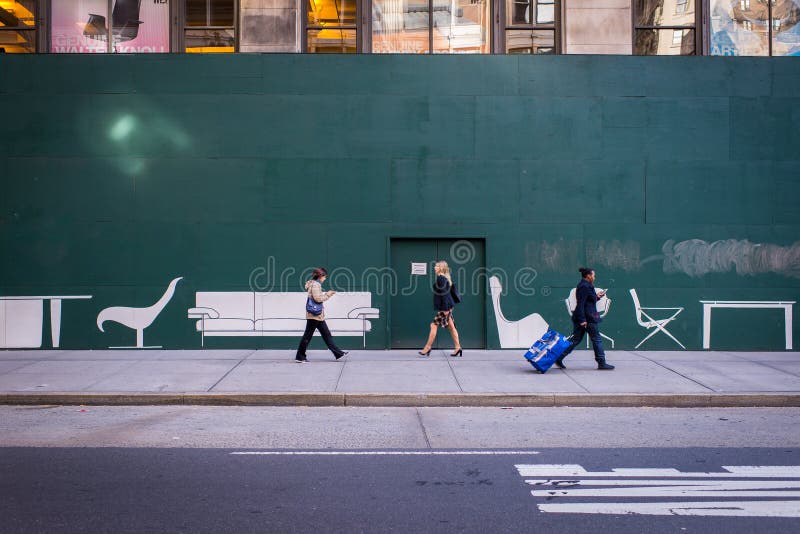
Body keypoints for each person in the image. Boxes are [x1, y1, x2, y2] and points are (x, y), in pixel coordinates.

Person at [556, 267, 615, 370]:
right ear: (588, 276)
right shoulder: (584, 286)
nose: (594, 277)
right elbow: (581, 304)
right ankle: (601, 362)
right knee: (597, 339)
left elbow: (589, 301)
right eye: (593, 275)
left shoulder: (587, 285)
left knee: (575, 340)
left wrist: (598, 296)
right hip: (588, 318)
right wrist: (583, 320)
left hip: (584, 317)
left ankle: (559, 357)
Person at [295, 267, 348, 363]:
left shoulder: (314, 284)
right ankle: (300, 356)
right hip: (314, 315)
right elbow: (318, 299)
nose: (325, 278)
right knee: (307, 336)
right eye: (325, 276)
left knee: (326, 334)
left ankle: (338, 353)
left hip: (318, 316)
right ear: (320, 276)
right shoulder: (316, 285)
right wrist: (328, 294)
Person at [418, 261, 463, 357]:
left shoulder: (441, 279)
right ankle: (458, 347)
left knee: (433, 325)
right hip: (448, 307)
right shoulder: (445, 278)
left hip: (445, 308)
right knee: (451, 327)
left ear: (441, 268)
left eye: (436, 266)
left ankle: (427, 347)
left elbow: (445, 294)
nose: (434, 267)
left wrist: (446, 309)